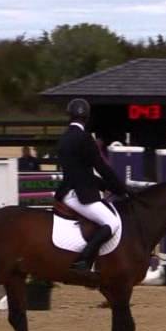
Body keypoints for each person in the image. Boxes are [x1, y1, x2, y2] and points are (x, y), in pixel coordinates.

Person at [54, 98, 128, 271]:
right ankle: (84, 260)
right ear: (86, 118)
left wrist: (104, 186)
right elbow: (102, 168)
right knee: (111, 222)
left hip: (66, 192)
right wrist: (121, 189)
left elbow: (80, 172)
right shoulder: (85, 138)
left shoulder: (63, 139)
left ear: (69, 116)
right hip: (80, 196)